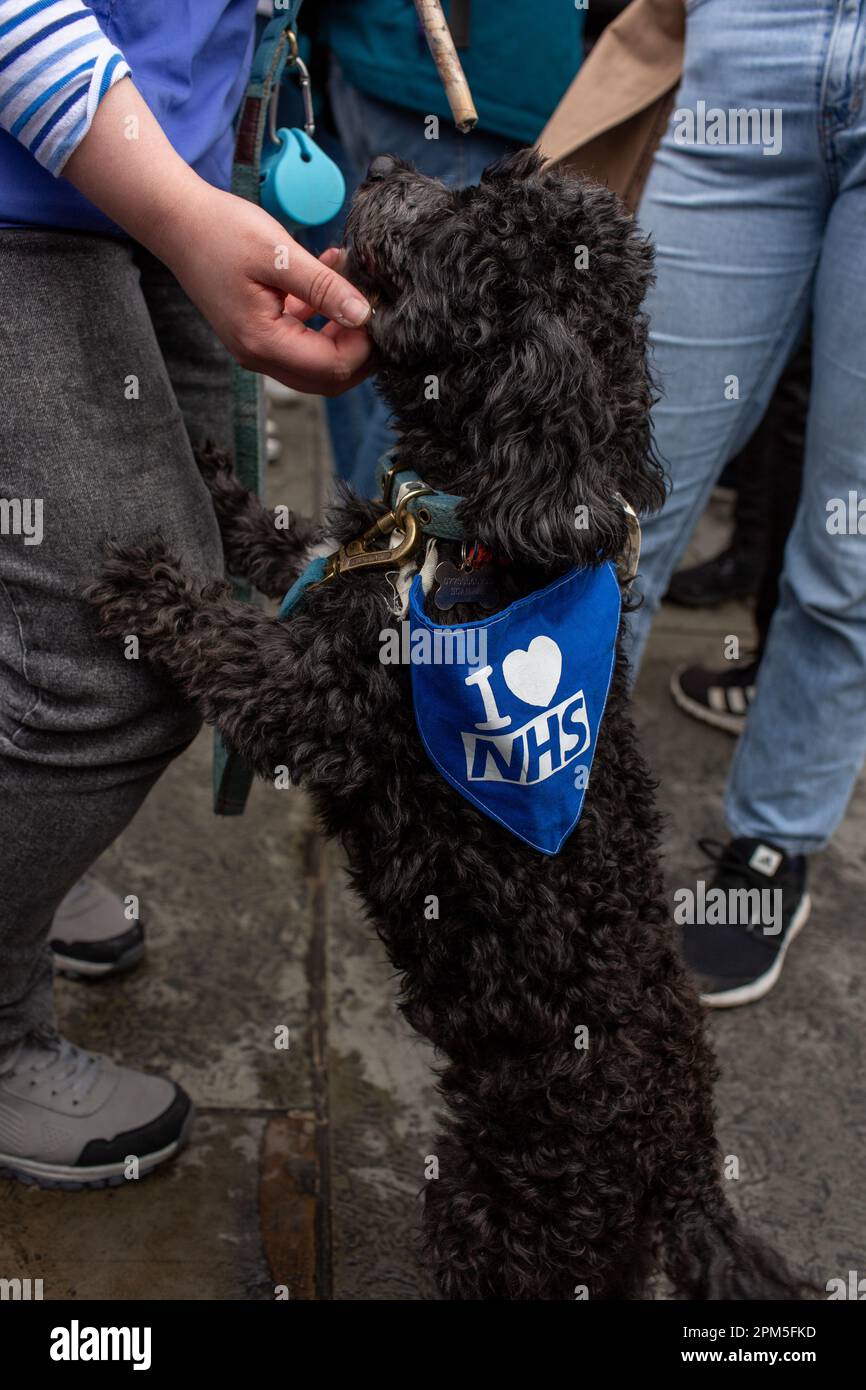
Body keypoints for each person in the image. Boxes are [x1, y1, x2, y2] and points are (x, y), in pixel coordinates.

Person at [0, 0, 372, 1187]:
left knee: (89, 594)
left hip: (164, 162)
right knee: (113, 665)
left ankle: (23, 888)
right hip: (42, 178)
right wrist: (181, 207)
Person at [547, 0, 866, 1008]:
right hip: (750, 41)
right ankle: (547, 818)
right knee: (609, 507)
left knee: (849, 546)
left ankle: (772, 839)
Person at [309, 0, 586, 495]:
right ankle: (366, 526)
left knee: (419, 358)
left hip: (444, 64)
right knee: (391, 347)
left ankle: (366, 526)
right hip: (404, 64)